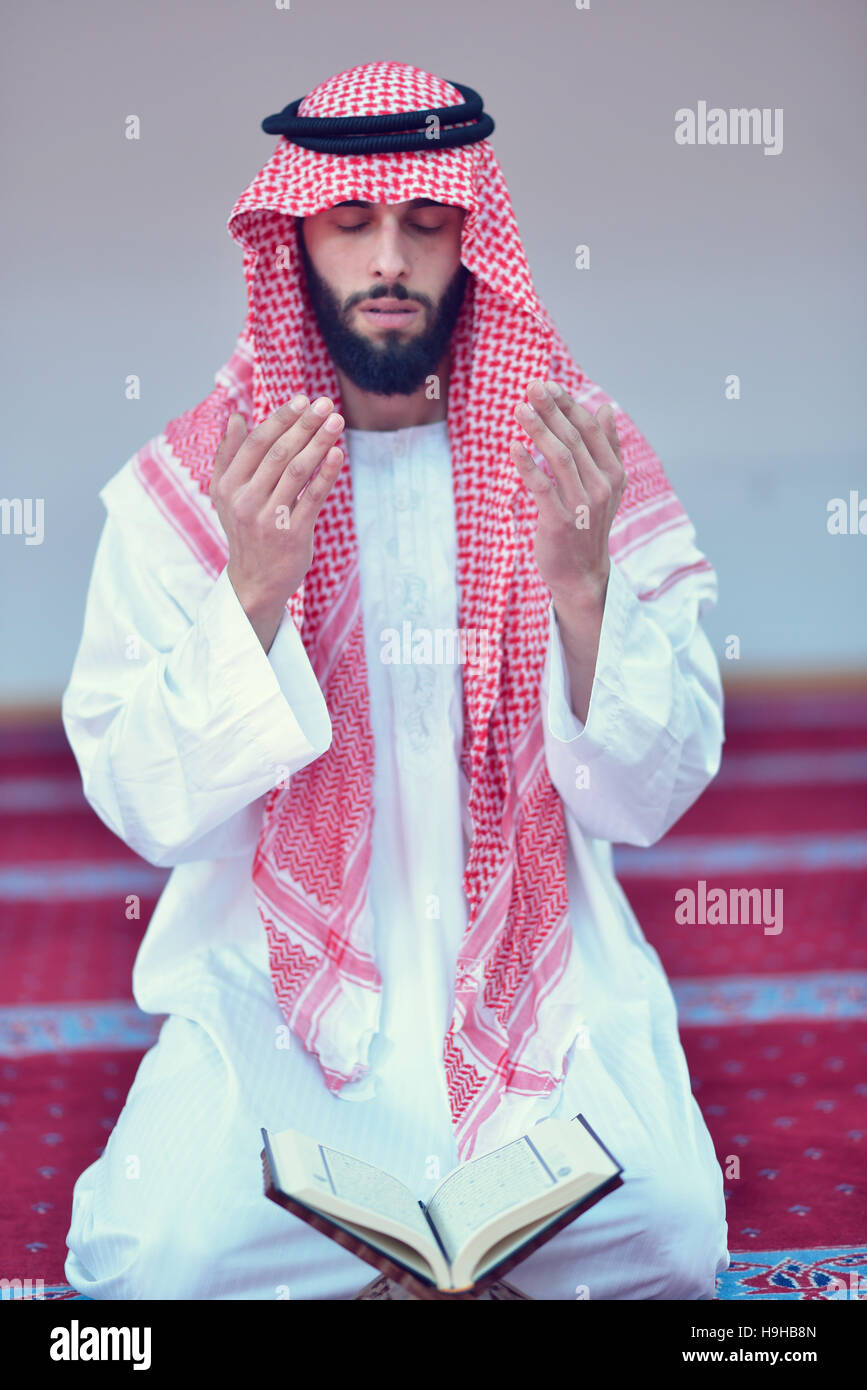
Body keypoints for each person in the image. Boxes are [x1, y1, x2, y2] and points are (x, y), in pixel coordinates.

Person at [61, 60, 729, 1300]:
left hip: (540, 990)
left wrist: (583, 588)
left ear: (472, 239)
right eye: (350, 222)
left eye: (424, 225)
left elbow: (651, 795)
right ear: (293, 238)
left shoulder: (575, 463)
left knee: (675, 1242)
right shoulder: (200, 489)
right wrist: (253, 589)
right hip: (281, 1002)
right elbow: (147, 807)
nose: (387, 260)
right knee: (161, 1263)